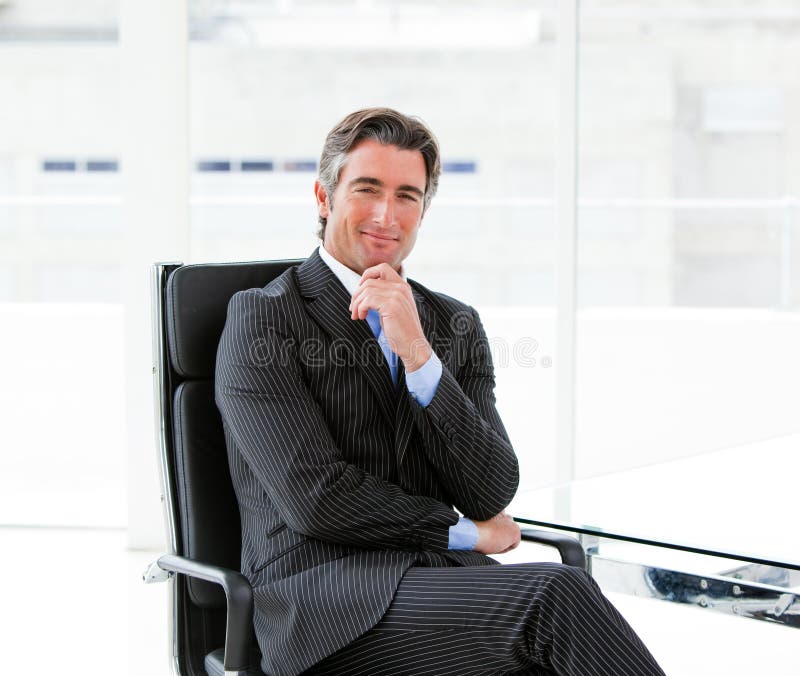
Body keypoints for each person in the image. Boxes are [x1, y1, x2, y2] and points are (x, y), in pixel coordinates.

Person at [215, 107, 664, 676]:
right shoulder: (266, 318)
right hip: (326, 604)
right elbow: (317, 499)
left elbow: (491, 485)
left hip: (440, 589)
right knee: (554, 597)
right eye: (367, 188)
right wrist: (469, 534)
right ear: (324, 197)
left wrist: (419, 356)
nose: (386, 214)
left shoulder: (451, 323)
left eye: (408, 195)